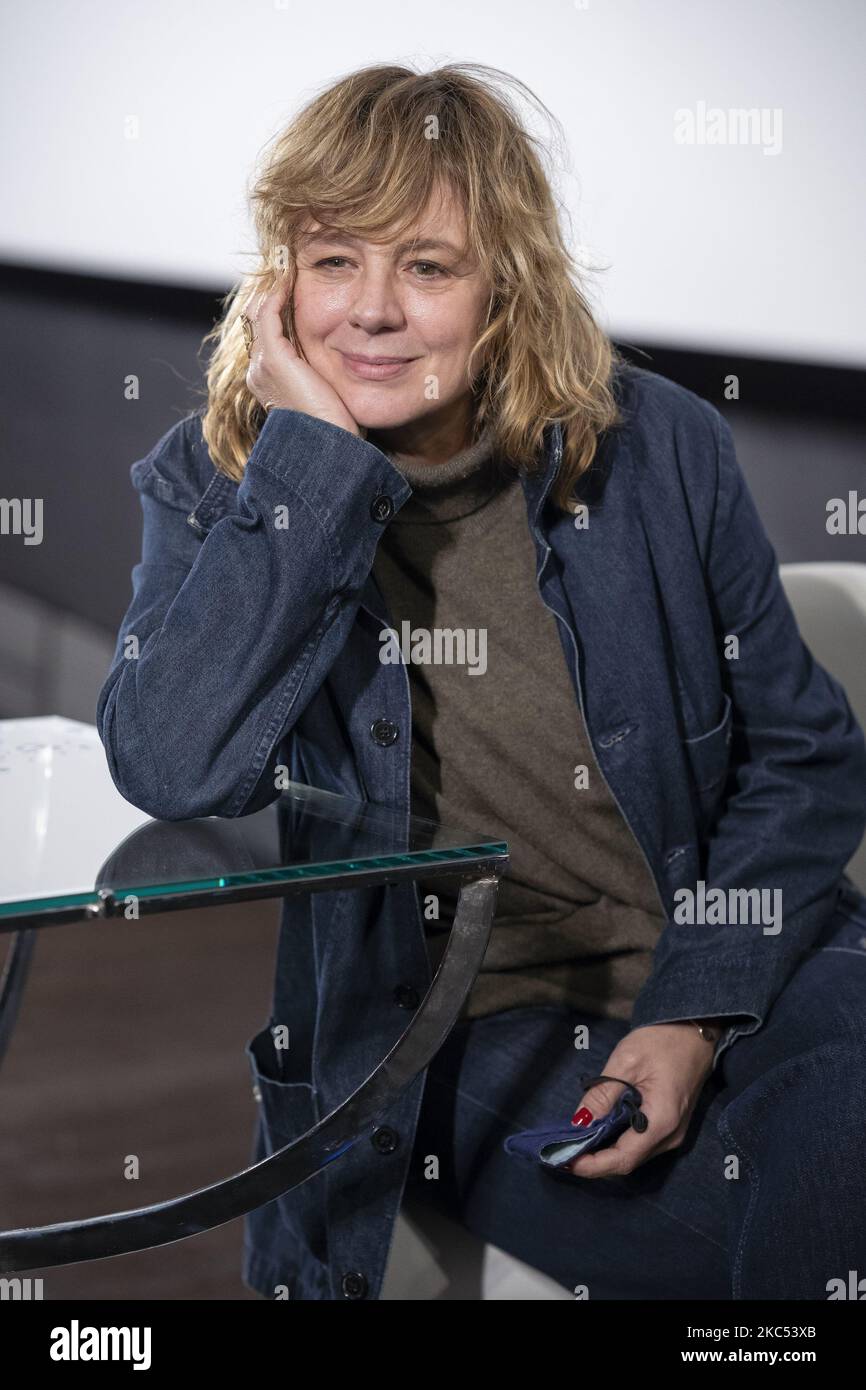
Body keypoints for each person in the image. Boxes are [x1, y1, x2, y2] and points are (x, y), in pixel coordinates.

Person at [96, 62, 866, 1301]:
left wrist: (691, 1011)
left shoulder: (661, 445)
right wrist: (311, 478)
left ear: (503, 282)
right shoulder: (218, 481)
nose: (373, 312)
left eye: (429, 266)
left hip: (743, 960)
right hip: (464, 1031)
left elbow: (806, 756)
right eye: (334, 259)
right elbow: (173, 761)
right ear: (280, 282)